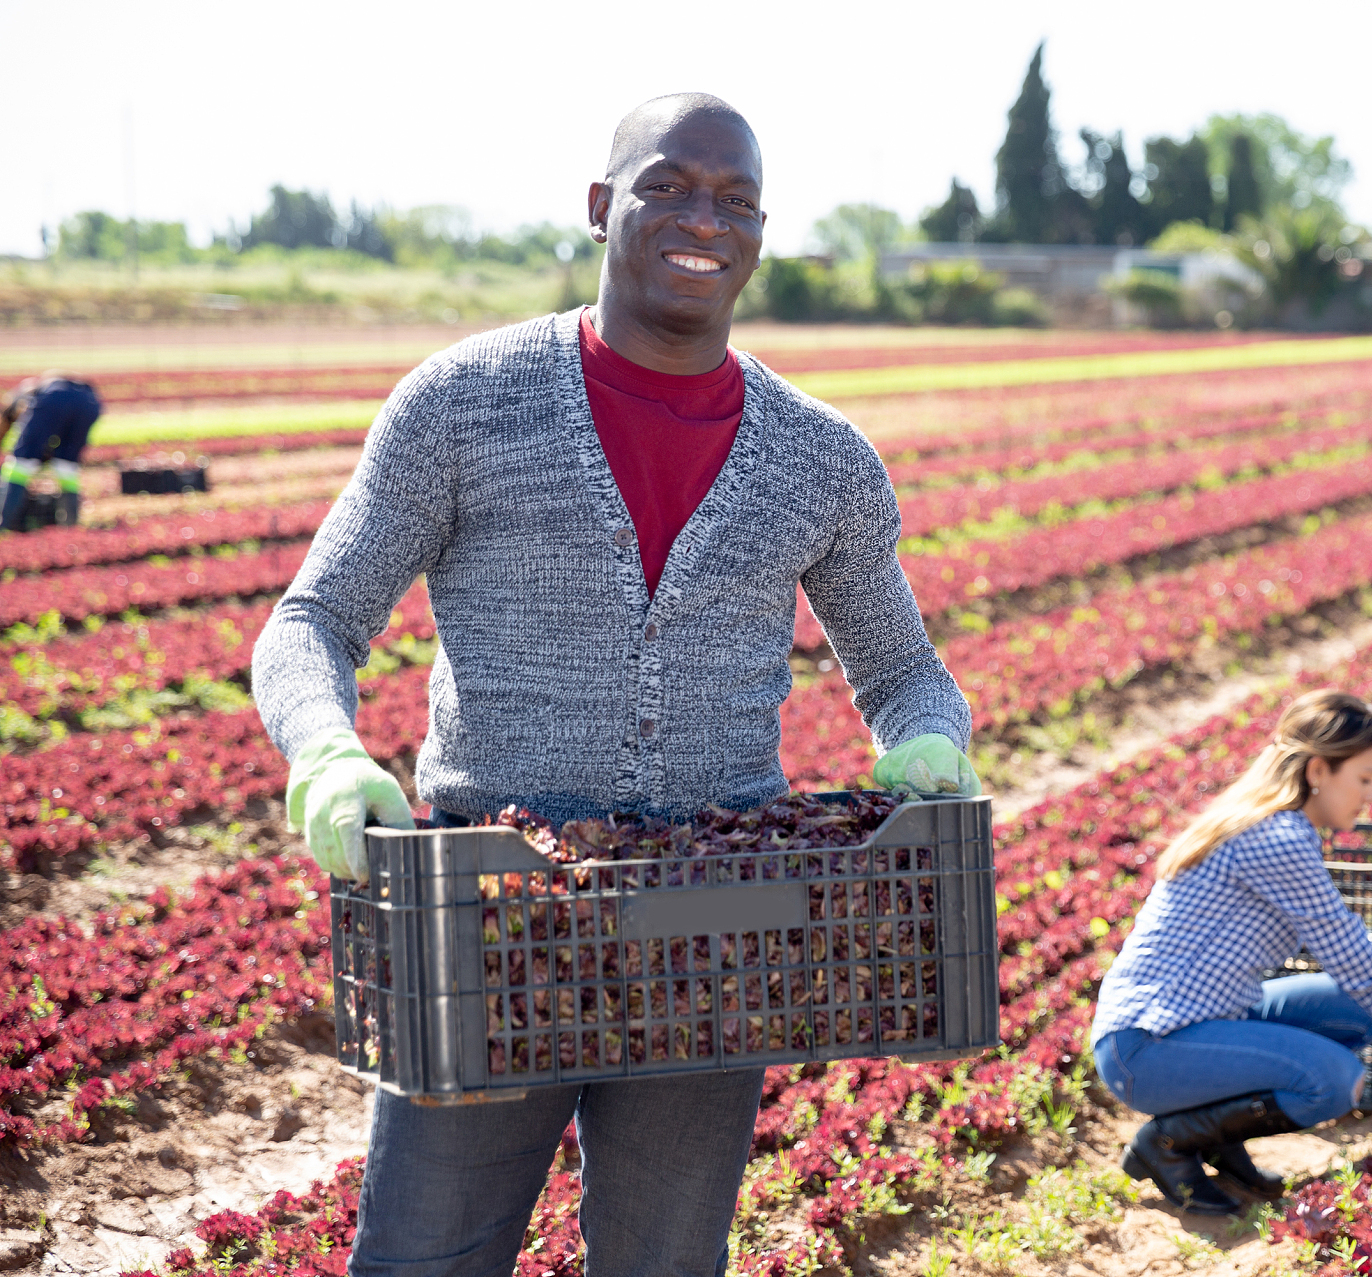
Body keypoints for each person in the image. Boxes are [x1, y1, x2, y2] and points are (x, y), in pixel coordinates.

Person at [252, 93, 980, 1277]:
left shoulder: (822, 455)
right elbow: (314, 618)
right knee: (426, 1253)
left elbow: (902, 669)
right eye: (667, 185)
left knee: (663, 1258)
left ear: (758, 232)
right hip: (489, 913)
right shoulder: (461, 401)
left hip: (714, 924)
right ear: (601, 207)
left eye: (734, 199)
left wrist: (927, 740)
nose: (703, 218)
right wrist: (325, 749)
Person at [1089, 689, 1372, 1215]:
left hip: (1201, 1016)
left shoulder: (1272, 822)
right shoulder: (1278, 839)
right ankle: (1169, 1142)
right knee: (1335, 1081)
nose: (1370, 795)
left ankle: (1213, 1136)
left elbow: (1363, 962)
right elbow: (1356, 959)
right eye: (1363, 778)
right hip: (1147, 1047)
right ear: (1319, 770)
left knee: (1358, 1007)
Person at [1, 372, 100, 532]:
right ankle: (71, 525)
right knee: (67, 466)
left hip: (55, 399)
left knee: (21, 464)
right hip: (89, 403)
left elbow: (9, 424)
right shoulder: (59, 385)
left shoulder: (22, 395)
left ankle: (5, 524)